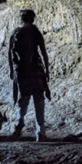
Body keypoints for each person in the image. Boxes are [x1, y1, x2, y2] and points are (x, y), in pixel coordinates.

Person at [8, 9, 50, 141]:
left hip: (22, 71)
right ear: (32, 19)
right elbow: (43, 52)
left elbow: (10, 54)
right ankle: (40, 133)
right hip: (36, 70)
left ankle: (17, 127)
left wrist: (11, 70)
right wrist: (47, 69)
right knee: (39, 100)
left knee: (23, 100)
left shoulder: (16, 33)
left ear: (22, 19)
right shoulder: (35, 33)